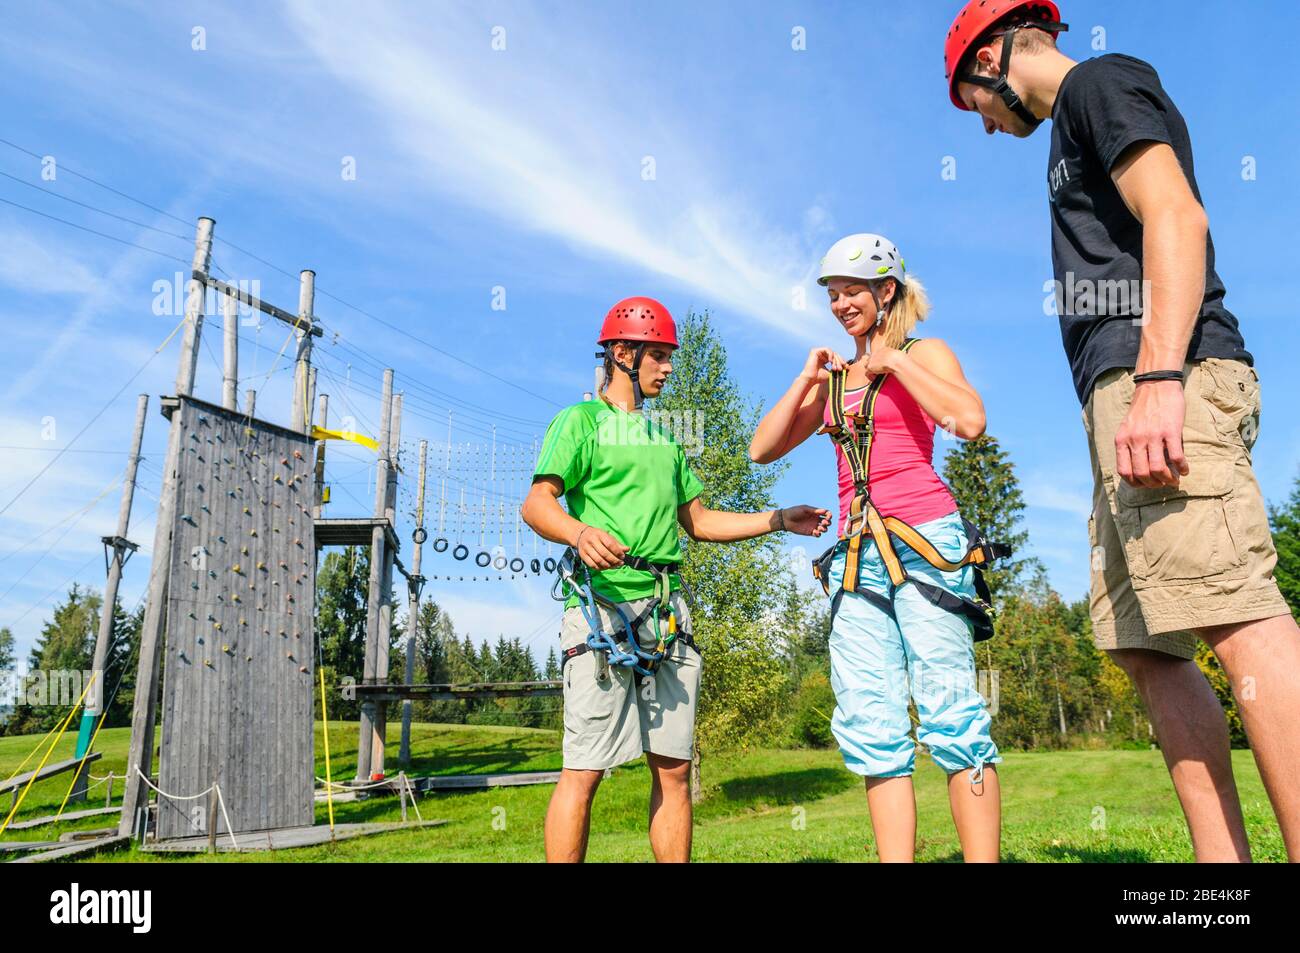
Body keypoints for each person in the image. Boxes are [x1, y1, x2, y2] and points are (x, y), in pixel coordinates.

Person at [945, 0, 1300, 861]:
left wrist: (1159, 380)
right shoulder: (1071, 129)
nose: (986, 129)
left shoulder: (1101, 84)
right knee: (1147, 646)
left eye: (973, 104)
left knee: (1237, 615)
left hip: (1164, 377)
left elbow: (1176, 217)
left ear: (992, 56)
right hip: (1120, 397)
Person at [521, 295, 831, 863]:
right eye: (658, 355)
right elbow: (538, 503)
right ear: (621, 352)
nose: (667, 368)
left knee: (675, 771)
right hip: (601, 615)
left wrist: (778, 519)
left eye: (670, 357)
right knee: (585, 770)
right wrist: (578, 533)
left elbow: (700, 522)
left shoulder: (666, 440)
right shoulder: (581, 421)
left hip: (666, 617)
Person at [750, 235, 1004, 862]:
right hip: (857, 557)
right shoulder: (834, 382)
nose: (839, 306)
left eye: (851, 293)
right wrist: (807, 378)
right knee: (871, 722)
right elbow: (762, 449)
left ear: (885, 291)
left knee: (950, 714)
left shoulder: (924, 352)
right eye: (832, 296)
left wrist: (896, 364)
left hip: (928, 544)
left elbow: (969, 421)